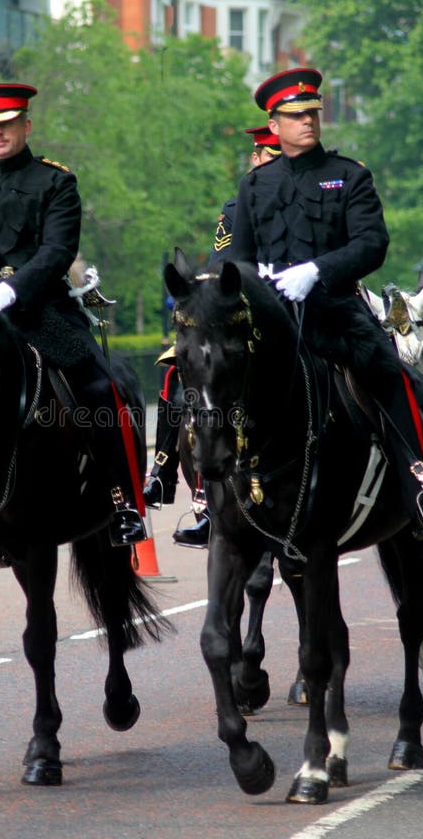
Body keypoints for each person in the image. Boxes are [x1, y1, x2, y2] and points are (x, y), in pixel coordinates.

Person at [0, 82, 146, 551]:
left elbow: (58, 253)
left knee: (99, 387)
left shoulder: (56, 181)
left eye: (6, 125)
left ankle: (123, 503)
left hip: (43, 310)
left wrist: (12, 290)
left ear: (26, 125)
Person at [229, 67, 423, 536]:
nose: (308, 122)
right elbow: (239, 260)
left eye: (313, 114)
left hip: (336, 313)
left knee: (390, 377)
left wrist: (316, 271)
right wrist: (254, 278)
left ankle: (420, 481)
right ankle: (209, 500)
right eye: (296, 116)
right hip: (273, 320)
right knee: (210, 379)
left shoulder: (348, 176)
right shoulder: (253, 186)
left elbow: (371, 244)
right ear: (274, 125)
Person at [143, 127, 281, 548]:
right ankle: (172, 477)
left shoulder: (307, 190)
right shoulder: (235, 206)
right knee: (178, 372)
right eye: (264, 157)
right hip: (248, 307)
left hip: (298, 300)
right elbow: (225, 262)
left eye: (276, 157)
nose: (268, 164)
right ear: (255, 160)